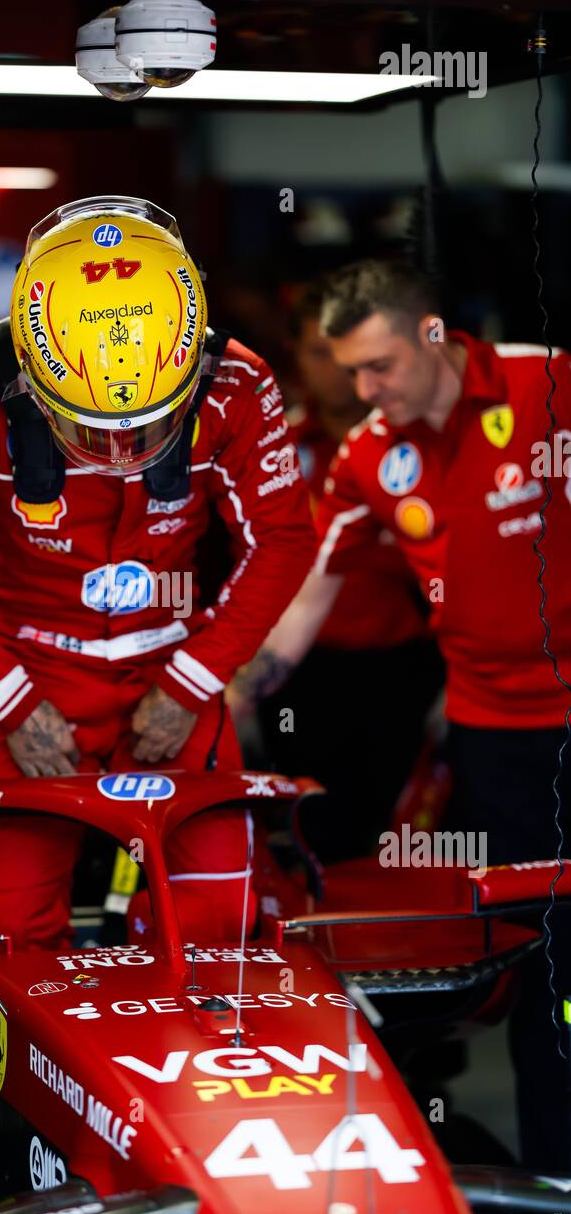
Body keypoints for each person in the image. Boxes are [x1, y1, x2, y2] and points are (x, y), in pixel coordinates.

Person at [0, 195, 316, 949]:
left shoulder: (239, 385)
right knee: (14, 936)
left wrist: (192, 680)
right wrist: (9, 701)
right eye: (91, 426)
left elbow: (282, 539)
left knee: (217, 928)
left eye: (150, 422)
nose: (121, 451)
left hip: (173, 666)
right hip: (29, 673)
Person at [233, 258, 571, 1168]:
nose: (362, 389)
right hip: (495, 740)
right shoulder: (370, 454)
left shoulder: (548, 383)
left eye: (377, 365)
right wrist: (227, 692)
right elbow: (306, 596)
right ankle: (553, 1183)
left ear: (433, 335)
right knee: (544, 971)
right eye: (349, 372)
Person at [251, 281, 444, 859]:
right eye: (318, 352)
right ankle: (315, 939)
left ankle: (397, 947)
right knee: (309, 831)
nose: (336, 370)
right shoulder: (270, 445)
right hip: (298, 674)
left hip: (403, 669)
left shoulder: (418, 443)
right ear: (296, 355)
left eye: (346, 354)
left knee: (402, 835)